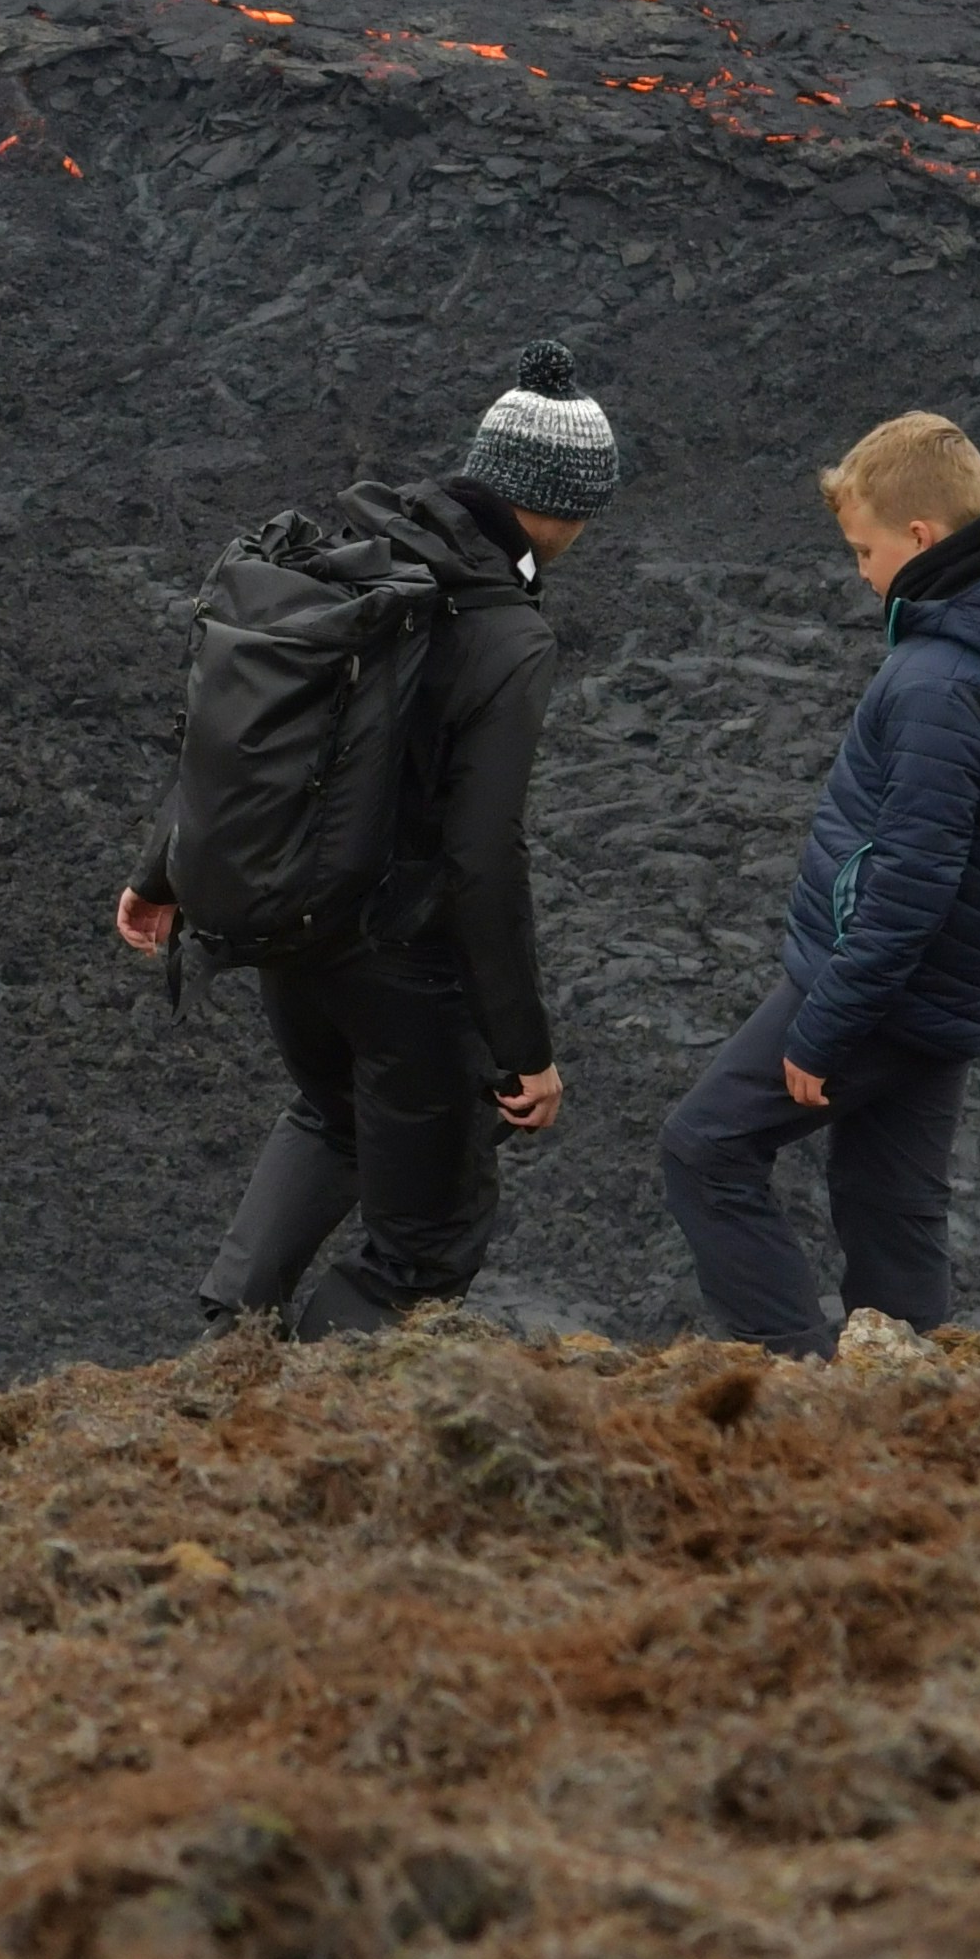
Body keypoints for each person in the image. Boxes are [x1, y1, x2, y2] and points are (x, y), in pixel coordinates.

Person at [115, 339, 623, 1338]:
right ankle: (302, 1425)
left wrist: (161, 867)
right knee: (423, 1249)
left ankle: (224, 1353)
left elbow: (239, 726)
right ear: (561, 509)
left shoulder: (352, 558)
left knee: (330, 1116)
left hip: (293, 930)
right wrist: (525, 1050)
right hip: (406, 977)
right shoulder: (504, 633)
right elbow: (483, 858)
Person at [658, 409, 980, 1360]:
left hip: (882, 985)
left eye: (863, 550)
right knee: (891, 1202)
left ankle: (794, 1370)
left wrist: (827, 1021)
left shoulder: (941, 679)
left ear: (919, 537)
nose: (859, 573)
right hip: (953, 982)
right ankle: (902, 1405)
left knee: (705, 1147)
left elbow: (912, 874)